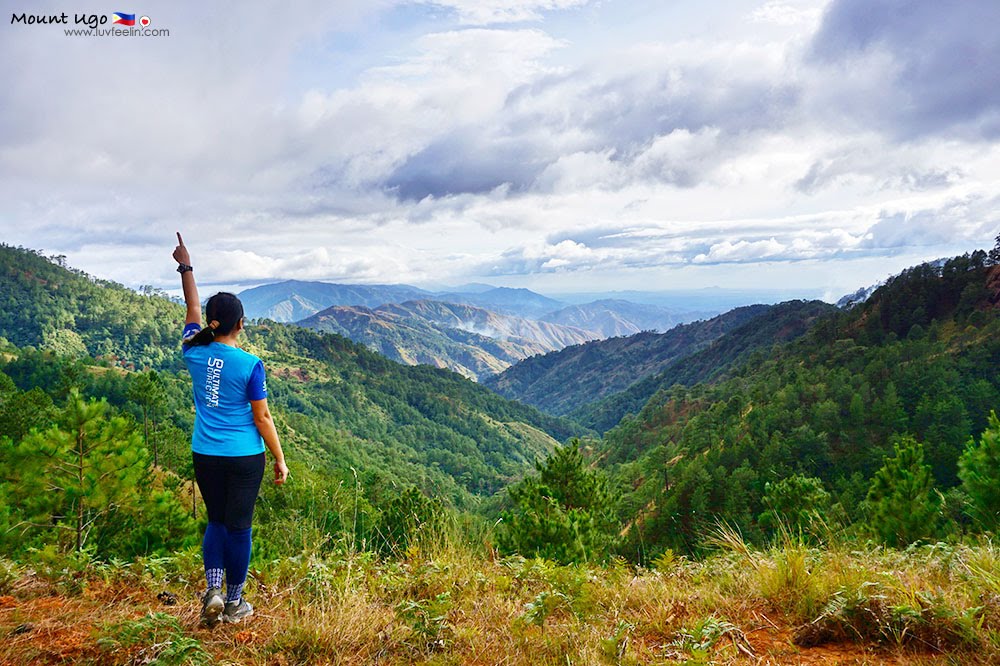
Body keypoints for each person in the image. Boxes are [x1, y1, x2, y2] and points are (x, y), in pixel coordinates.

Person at [172, 232, 289, 627]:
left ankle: (214, 591)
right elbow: (263, 419)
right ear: (242, 324)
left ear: (210, 321)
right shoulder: (250, 364)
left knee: (217, 521)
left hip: (205, 453)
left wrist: (186, 266)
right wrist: (280, 458)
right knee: (240, 528)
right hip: (243, 457)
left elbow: (190, 304)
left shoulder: (193, 349)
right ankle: (236, 603)